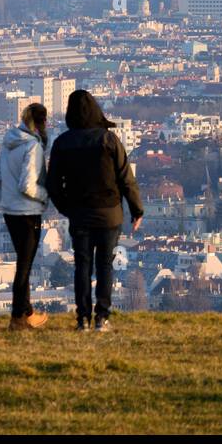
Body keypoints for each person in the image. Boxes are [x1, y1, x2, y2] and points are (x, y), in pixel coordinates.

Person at [47, 90, 143, 332]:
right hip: (109, 213)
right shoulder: (108, 140)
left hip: (80, 213)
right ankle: (102, 317)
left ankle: (83, 319)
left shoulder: (63, 143)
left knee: (82, 265)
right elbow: (126, 178)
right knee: (105, 265)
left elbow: (53, 184)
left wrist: (67, 208)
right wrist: (136, 209)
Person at [0, 103, 51, 331]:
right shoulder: (33, 146)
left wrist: (9, 194)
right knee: (24, 267)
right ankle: (17, 317)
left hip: (9, 211)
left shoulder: (8, 141)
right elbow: (28, 185)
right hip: (28, 212)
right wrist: (44, 196)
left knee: (23, 263)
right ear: (41, 123)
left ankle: (28, 313)